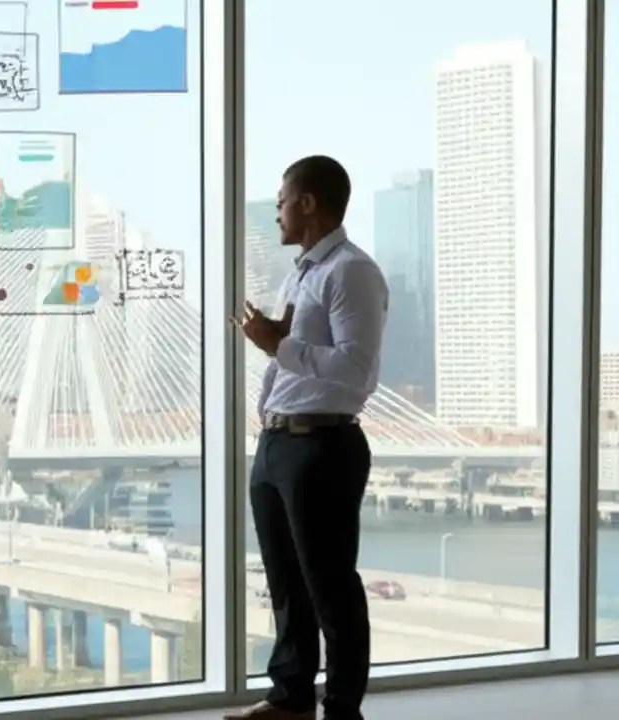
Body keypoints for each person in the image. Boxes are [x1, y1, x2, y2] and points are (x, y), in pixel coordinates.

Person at [226, 155, 388, 720]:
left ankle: (342, 709)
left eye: (281, 201)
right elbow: (293, 361)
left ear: (309, 203)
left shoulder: (352, 272)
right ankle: (291, 698)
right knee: (286, 584)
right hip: (278, 444)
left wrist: (276, 345)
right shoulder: (302, 272)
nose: (277, 213)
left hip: (322, 446)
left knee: (330, 587)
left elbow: (357, 369)